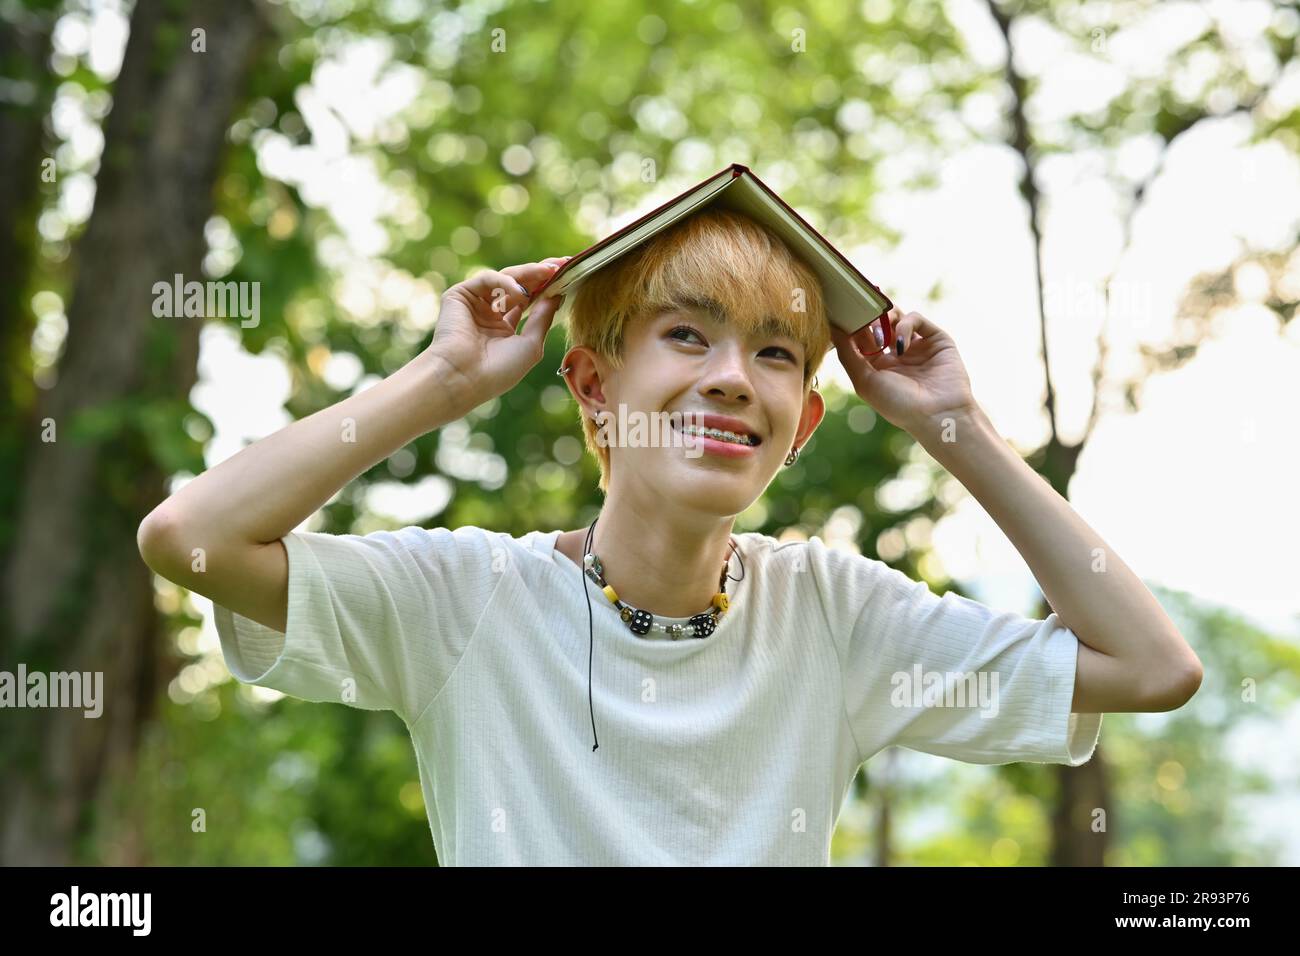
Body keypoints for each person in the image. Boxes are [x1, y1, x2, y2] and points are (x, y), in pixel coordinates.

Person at [136, 207, 1202, 866]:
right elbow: (189, 536)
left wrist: (951, 427)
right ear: (595, 388)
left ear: (797, 428)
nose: (733, 374)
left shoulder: (836, 615)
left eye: (778, 352)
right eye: (686, 332)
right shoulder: (466, 602)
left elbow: (1150, 666)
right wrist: (444, 379)